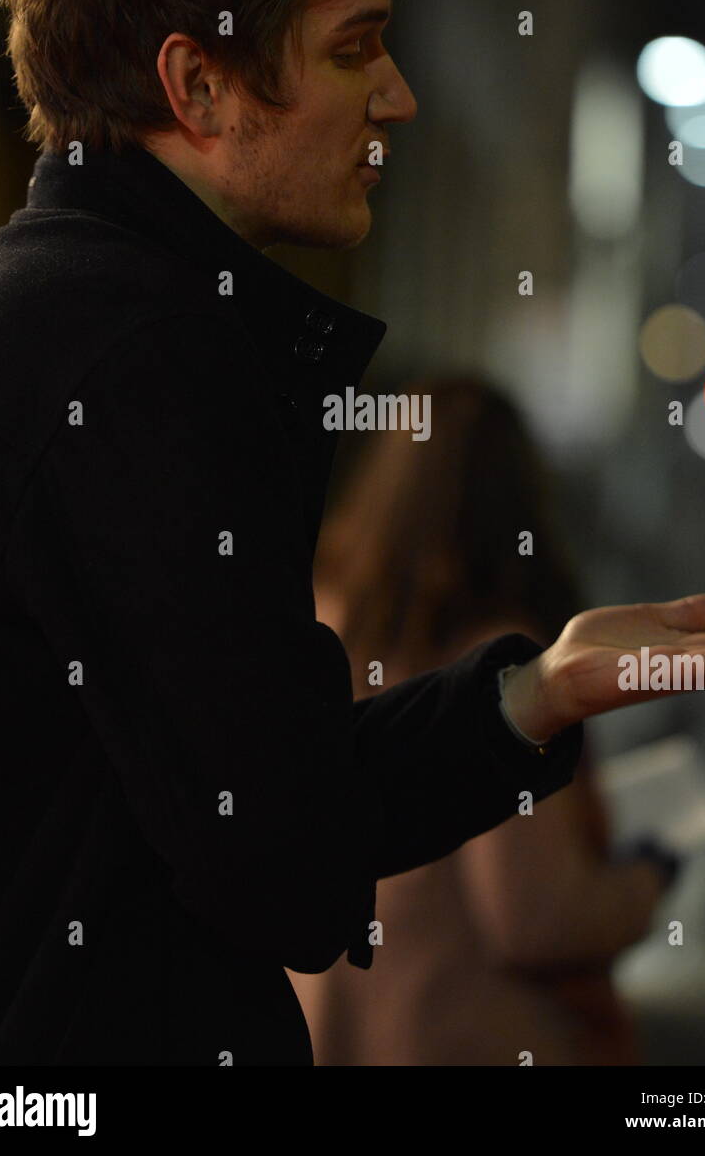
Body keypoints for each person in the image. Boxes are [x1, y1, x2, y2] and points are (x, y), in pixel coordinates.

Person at [0, 0, 705, 1067]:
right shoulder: (140, 359)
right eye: (355, 49)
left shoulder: (60, 309)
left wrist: (532, 691)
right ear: (200, 87)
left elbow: (247, 786)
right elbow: (282, 860)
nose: (395, 97)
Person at [289, 377, 677, 1065]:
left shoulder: (317, 617)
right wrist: (650, 871)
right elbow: (534, 918)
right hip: (462, 1036)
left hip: (328, 1031)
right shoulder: (501, 659)